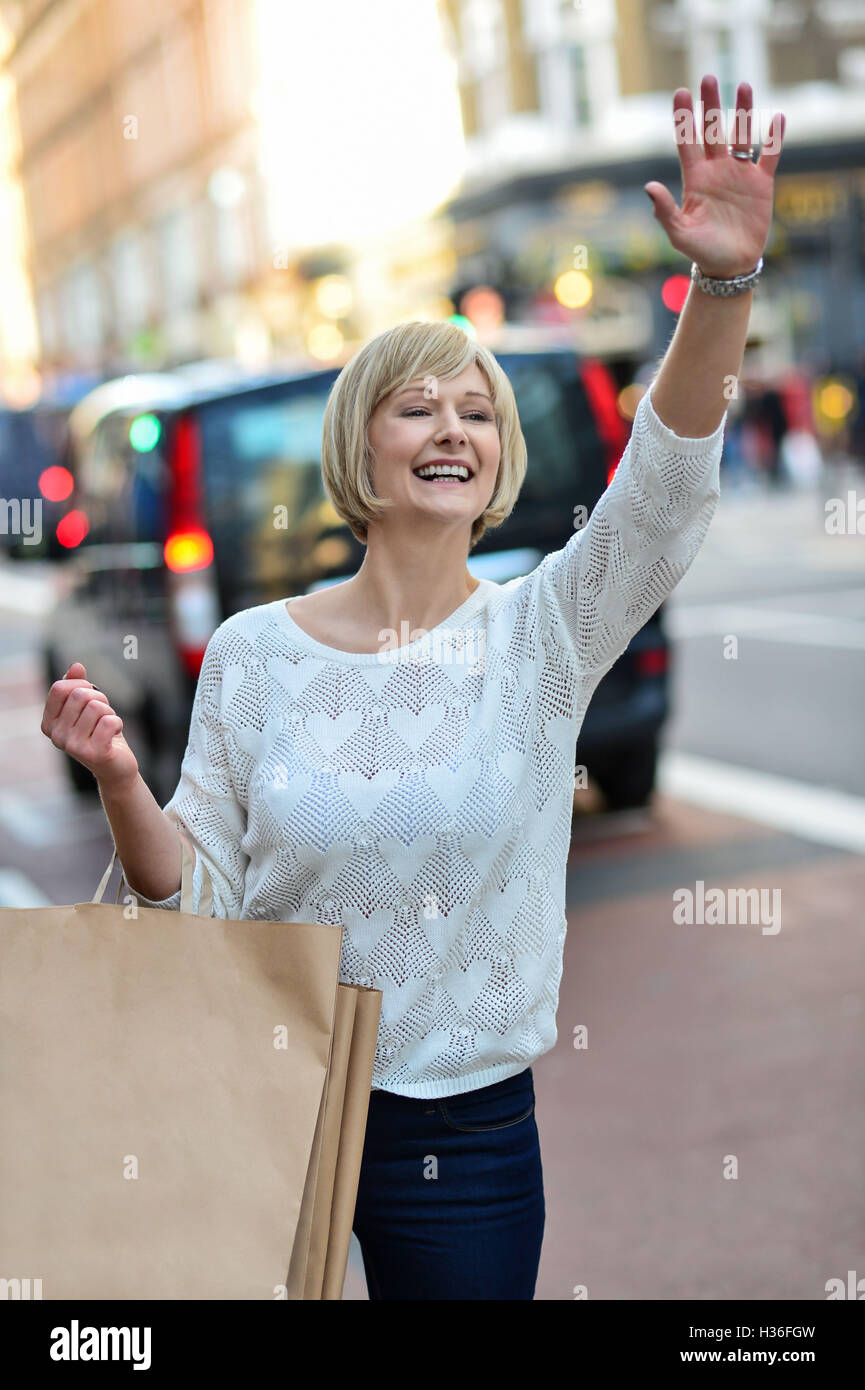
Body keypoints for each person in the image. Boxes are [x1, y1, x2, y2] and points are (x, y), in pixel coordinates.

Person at [41, 75, 785, 1300]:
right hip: (274, 1102)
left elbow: (660, 493)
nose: (454, 427)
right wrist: (122, 778)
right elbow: (195, 901)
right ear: (359, 447)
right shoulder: (253, 653)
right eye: (418, 406)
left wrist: (719, 290)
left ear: (498, 455)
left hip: (471, 1136)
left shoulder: (543, 631)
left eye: (477, 411)